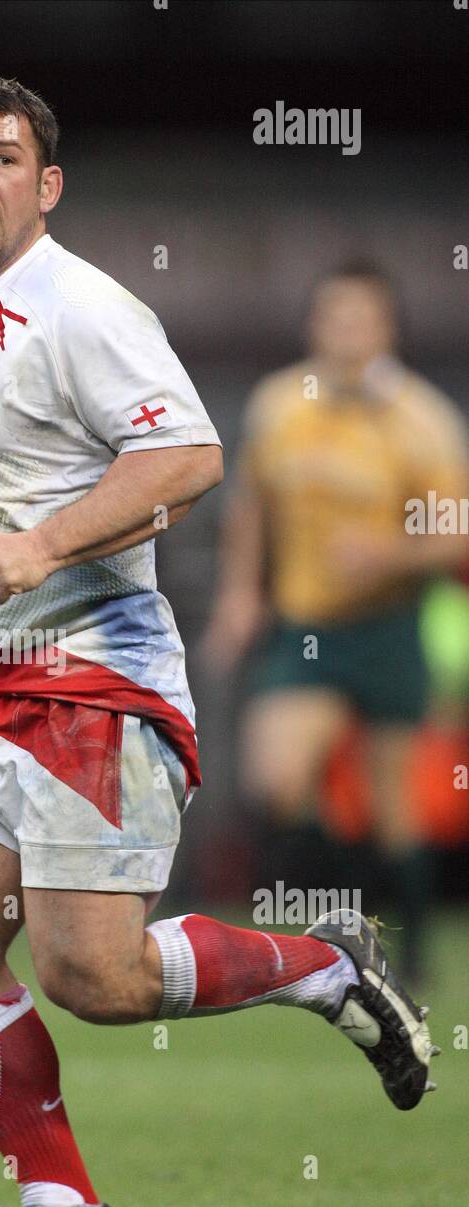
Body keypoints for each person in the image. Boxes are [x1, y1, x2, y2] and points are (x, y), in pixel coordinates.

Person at [0, 76, 437, 1207]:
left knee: (95, 977)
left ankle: (325, 966)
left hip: (91, 683)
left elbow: (186, 456)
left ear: (43, 185)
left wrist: (47, 539)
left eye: (2, 159)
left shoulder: (81, 307)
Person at [204, 263, 469, 986]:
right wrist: (240, 595)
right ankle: (344, 930)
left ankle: (410, 959)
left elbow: (459, 533)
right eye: (335, 316)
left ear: (387, 329)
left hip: (387, 625)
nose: (347, 331)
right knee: (278, 780)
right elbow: (252, 505)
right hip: (306, 627)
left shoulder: (424, 418)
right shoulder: (281, 403)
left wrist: (390, 550)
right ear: (314, 325)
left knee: (396, 811)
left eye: (363, 318)